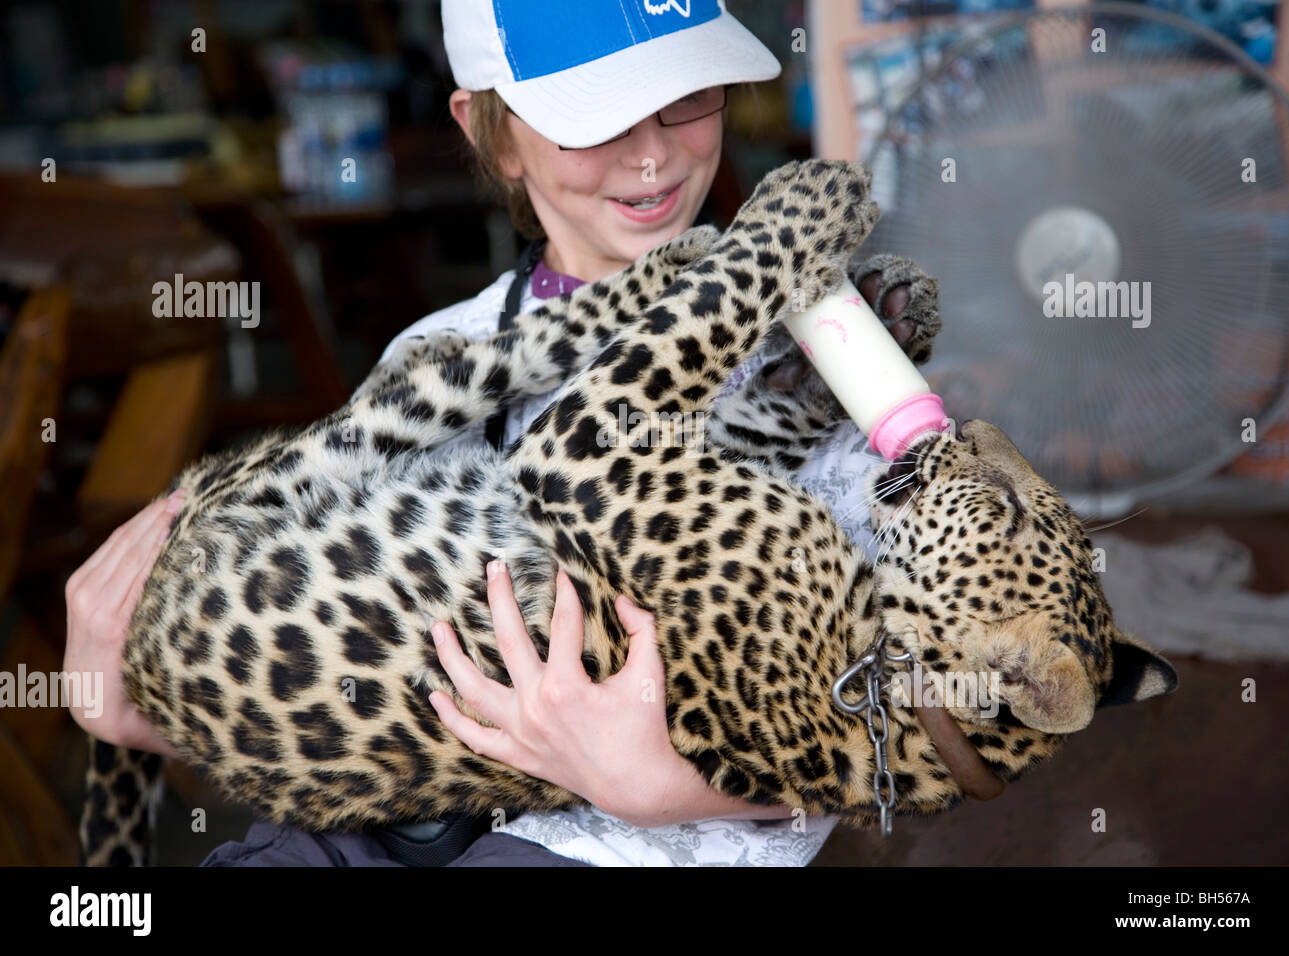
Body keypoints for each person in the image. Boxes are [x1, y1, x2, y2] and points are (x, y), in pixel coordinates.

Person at [65, 0, 922, 866]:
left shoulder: (843, 351)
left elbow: (938, 711)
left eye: (689, 99)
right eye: (599, 119)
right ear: (494, 135)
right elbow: (339, 696)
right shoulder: (444, 351)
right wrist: (125, 715)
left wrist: (663, 789)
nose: (654, 152)